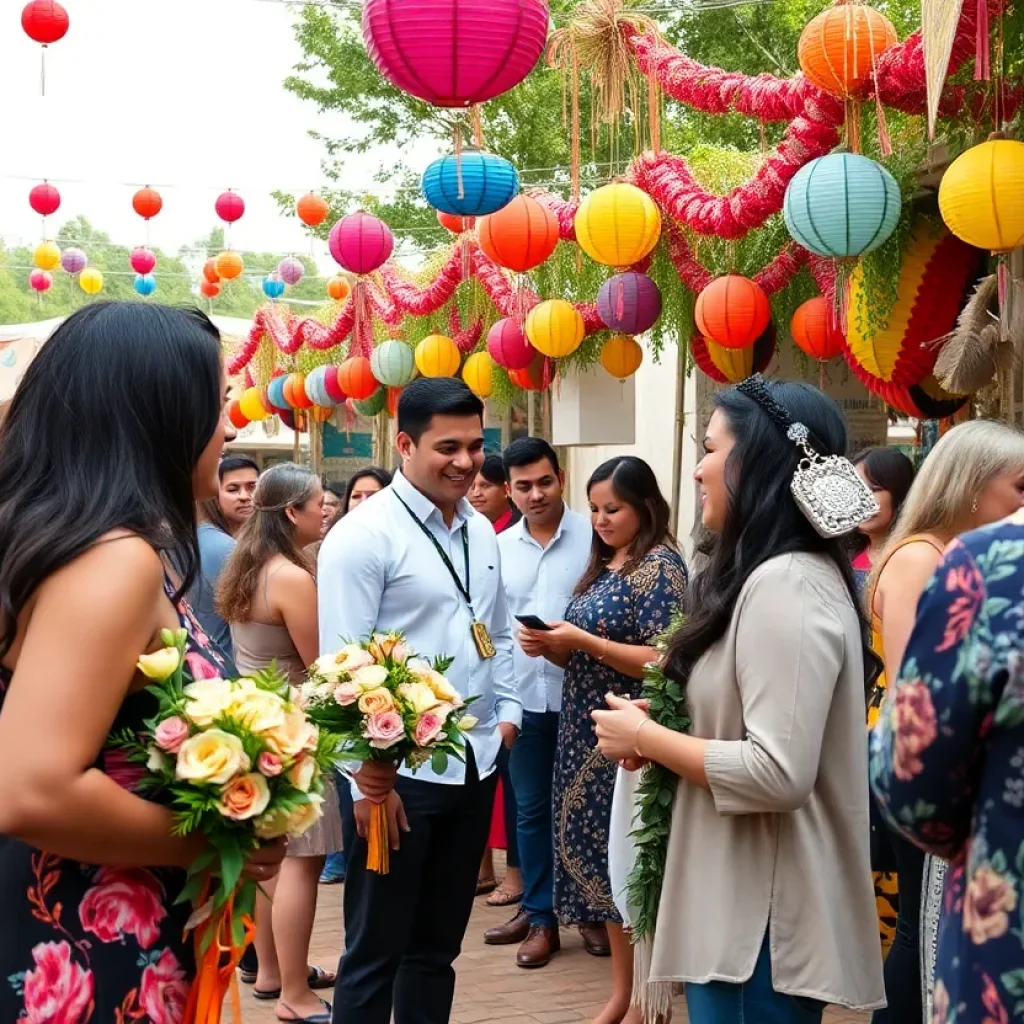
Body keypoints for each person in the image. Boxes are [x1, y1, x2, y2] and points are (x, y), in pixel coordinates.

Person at [0, 302, 285, 1022]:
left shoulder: (65, 541)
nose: (229, 429)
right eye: (216, 404)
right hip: (93, 957)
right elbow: (31, 791)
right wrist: (216, 840)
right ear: (155, 414)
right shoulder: (113, 558)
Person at [593, 377, 886, 1022]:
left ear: (757, 460)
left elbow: (778, 771)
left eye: (711, 449)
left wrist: (647, 739)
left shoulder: (786, 584)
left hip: (759, 927)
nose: (698, 470)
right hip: (739, 914)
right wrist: (670, 725)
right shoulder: (769, 576)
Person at [318, 378, 521, 1024]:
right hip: (396, 780)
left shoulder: (480, 530)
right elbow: (341, 667)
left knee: (436, 952)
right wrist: (366, 782)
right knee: (374, 954)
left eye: (476, 446)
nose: (466, 462)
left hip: (474, 763)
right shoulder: (363, 536)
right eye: (448, 448)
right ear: (405, 445)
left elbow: (499, 630)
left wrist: (509, 716)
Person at [866, 420, 1024, 1024]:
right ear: (970, 486)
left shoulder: (969, 561)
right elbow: (922, 688)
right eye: (1019, 487)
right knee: (914, 928)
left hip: (944, 777)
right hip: (928, 759)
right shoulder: (927, 558)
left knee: (916, 928)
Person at [519, 455, 686, 1024]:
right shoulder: (608, 563)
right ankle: (624, 994)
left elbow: (664, 658)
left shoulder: (660, 566)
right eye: (593, 509)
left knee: (630, 864)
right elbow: (587, 656)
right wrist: (554, 646)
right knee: (604, 867)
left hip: (629, 737)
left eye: (612, 508)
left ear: (645, 505)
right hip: (585, 732)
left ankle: (645, 1001)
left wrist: (584, 642)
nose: (600, 520)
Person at [216, 462, 341, 1024]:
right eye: (318, 503)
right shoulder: (291, 576)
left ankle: (271, 971)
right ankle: (295, 992)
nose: (326, 511)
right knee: (301, 862)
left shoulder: (249, 564)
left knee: (272, 861)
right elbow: (320, 667)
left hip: (256, 717)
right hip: (294, 723)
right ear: (292, 512)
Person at [483, 437, 593, 967]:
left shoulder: (595, 536)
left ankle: (592, 912)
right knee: (530, 811)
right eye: (523, 486)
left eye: (545, 482)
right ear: (508, 490)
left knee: (586, 808)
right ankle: (541, 916)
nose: (536, 495)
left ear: (562, 478)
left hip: (586, 700)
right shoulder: (496, 549)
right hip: (523, 700)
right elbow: (490, 631)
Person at [849, 446, 916, 956]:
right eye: (855, 488)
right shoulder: (841, 561)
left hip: (887, 715)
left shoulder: (912, 559)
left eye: (873, 488)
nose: (863, 499)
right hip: (850, 713)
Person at [319, 466, 392, 887]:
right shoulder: (337, 548)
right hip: (340, 695)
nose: (364, 503)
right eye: (357, 496)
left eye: (373, 495)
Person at [472, 453, 523, 905]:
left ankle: (515, 876)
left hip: (519, 679)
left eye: (485, 484)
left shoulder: (504, 536)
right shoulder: (475, 534)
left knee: (516, 791)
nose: (475, 491)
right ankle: (482, 866)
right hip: (481, 681)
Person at [189, 454, 259, 658]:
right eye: (233, 489)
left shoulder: (203, 537)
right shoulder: (225, 548)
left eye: (252, 487)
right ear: (213, 495)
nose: (245, 496)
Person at [851, 447, 916, 593]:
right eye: (854, 490)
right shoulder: (845, 555)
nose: (860, 501)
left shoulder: (917, 557)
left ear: (901, 495)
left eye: (872, 490)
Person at [469, 453, 519, 533]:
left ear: (507, 489)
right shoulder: (463, 529)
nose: (476, 493)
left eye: (485, 486)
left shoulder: (524, 529)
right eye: (471, 486)